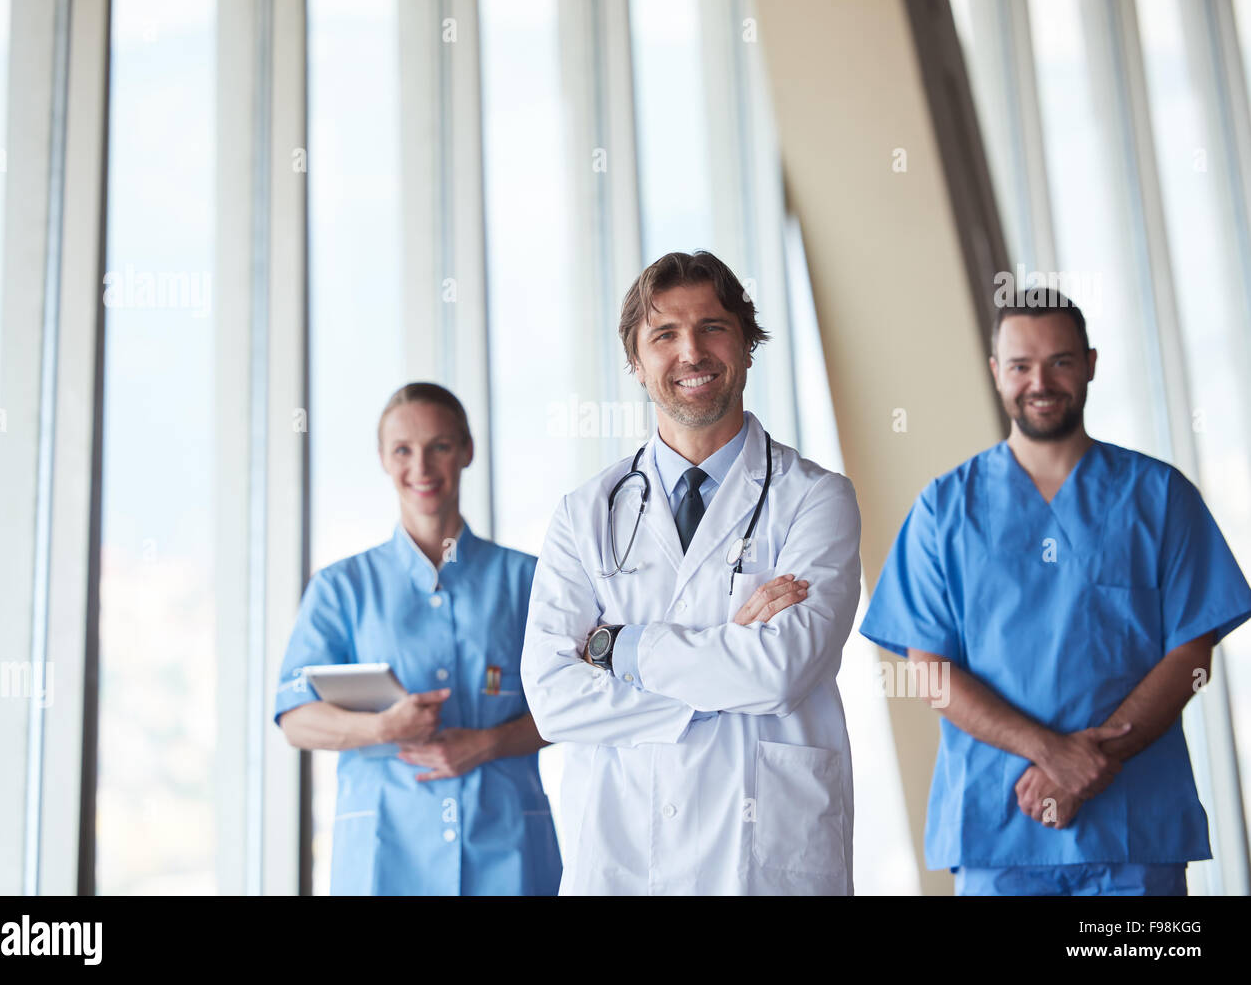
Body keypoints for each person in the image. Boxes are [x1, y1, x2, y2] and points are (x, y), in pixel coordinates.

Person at [860, 291, 1251, 896]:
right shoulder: (945, 509)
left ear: (1091, 363)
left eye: (1061, 361)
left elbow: (1191, 655)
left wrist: (1088, 769)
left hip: (1133, 830)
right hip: (1000, 830)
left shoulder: (1159, 496)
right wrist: (1050, 752)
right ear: (996, 373)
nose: (1040, 381)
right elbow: (928, 668)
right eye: (1020, 366)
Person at [521, 251, 862, 895]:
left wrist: (615, 646)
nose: (692, 352)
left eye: (712, 327)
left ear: (747, 343)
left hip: (763, 862)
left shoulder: (817, 499)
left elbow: (783, 670)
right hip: (623, 861)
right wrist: (729, 663)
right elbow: (552, 698)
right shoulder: (583, 513)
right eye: (665, 335)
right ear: (636, 360)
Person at [274, 383, 562, 895]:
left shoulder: (529, 581)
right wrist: (384, 728)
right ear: (384, 460)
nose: (421, 467)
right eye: (403, 450)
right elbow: (297, 718)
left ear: (467, 450)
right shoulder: (342, 589)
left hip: (508, 850)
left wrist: (488, 742)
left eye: (440, 446)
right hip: (387, 856)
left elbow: (575, 705)